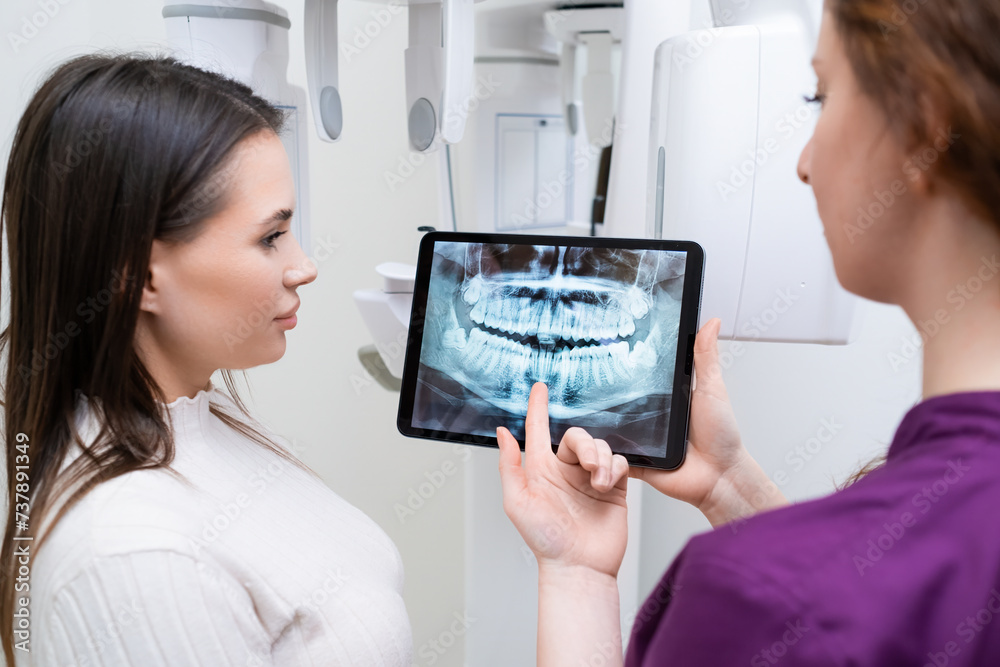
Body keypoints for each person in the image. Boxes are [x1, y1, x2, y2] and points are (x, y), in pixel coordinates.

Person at [497, 0, 1000, 664]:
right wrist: (732, 487)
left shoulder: (752, 595)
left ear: (923, 127)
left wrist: (577, 575)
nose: (803, 162)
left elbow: (817, 614)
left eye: (819, 96)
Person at [0, 55, 411, 665]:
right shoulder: (135, 559)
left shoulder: (197, 417)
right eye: (270, 237)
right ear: (137, 274)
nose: (304, 265)